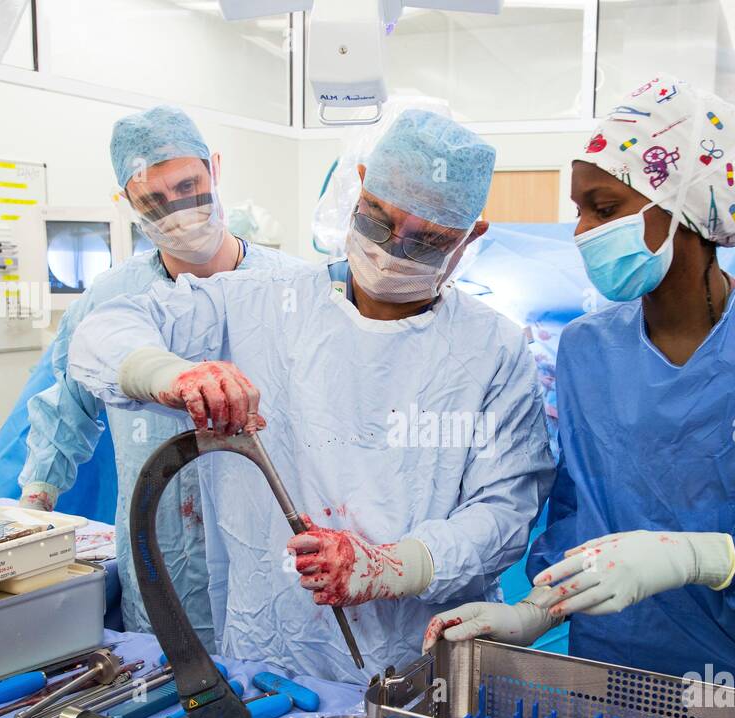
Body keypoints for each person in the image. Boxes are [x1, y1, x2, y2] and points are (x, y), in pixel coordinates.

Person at [423, 76, 735, 718]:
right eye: (577, 209)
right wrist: (533, 608)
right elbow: (581, 520)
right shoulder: (587, 352)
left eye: (603, 208)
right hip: (615, 691)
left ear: (686, 207)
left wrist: (709, 558)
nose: (580, 232)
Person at [68, 109, 555, 682]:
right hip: (272, 651)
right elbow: (103, 333)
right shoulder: (257, 304)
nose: (391, 250)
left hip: (419, 655)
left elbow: (505, 509)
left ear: (470, 238)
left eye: (426, 242)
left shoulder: (492, 348)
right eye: (376, 221)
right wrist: (167, 373)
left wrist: (393, 567)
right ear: (361, 189)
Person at [18, 105, 285, 648]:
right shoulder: (111, 299)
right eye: (154, 202)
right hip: (159, 549)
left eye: (189, 186)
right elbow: (67, 405)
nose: (179, 211)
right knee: (169, 685)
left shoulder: (293, 288)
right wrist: (33, 508)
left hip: (268, 548)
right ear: (128, 204)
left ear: (215, 167)